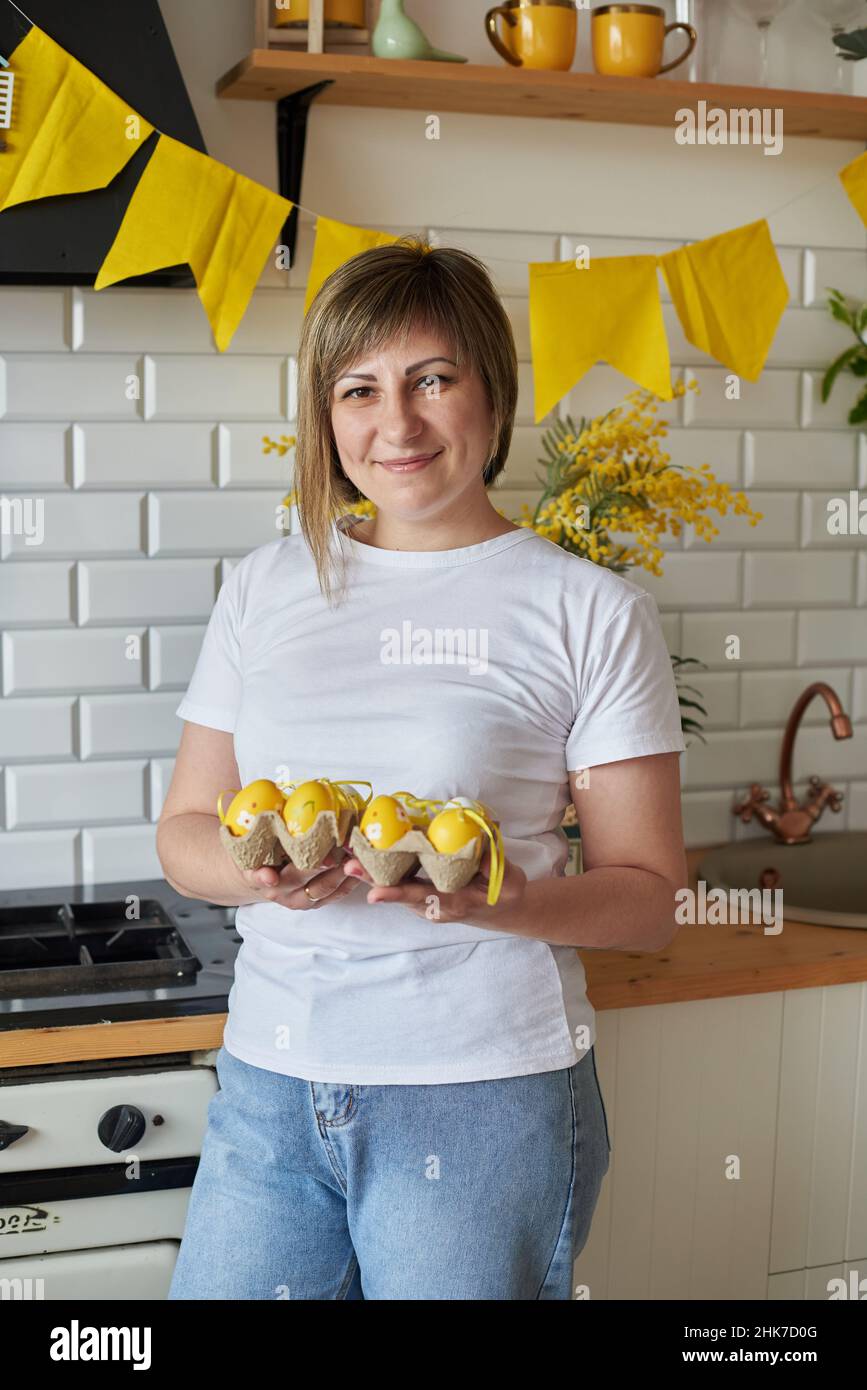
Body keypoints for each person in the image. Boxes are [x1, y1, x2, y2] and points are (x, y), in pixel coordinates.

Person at [158, 236, 688, 1301]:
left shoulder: (589, 609)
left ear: (491, 394)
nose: (394, 423)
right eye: (359, 389)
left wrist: (506, 898)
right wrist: (254, 875)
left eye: (431, 379)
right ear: (326, 416)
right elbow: (182, 832)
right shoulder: (266, 587)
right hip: (272, 1074)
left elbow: (650, 902)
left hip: (480, 1092)